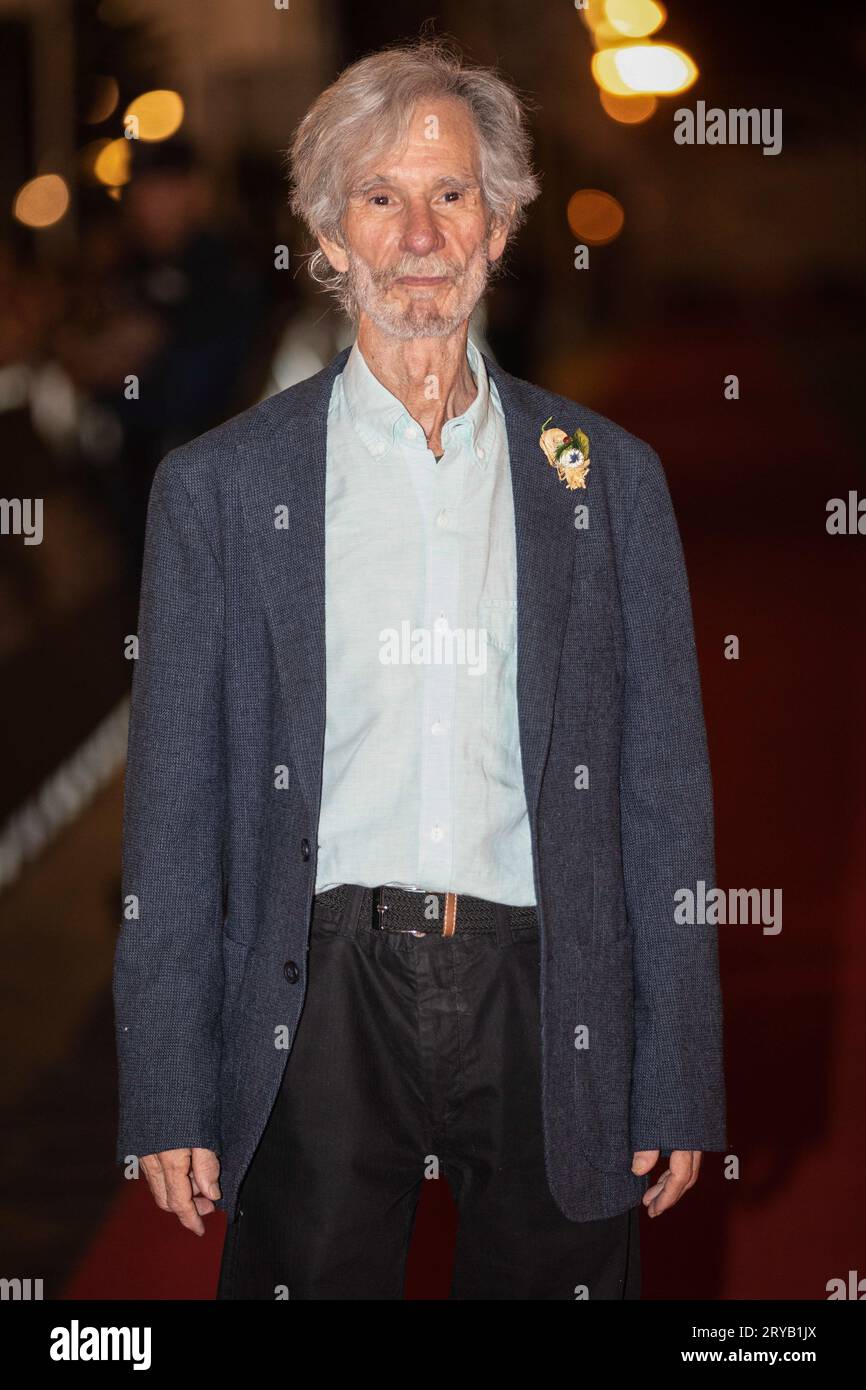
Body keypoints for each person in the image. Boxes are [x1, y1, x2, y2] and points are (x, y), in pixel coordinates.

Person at [113, 40, 727, 1301]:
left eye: (452, 195)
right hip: (318, 985)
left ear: (500, 226)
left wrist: (678, 1066)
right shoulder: (220, 493)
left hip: (546, 978)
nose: (419, 232)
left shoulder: (606, 481)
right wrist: (166, 1079)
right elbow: (175, 815)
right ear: (328, 237)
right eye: (379, 197)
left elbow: (664, 797)